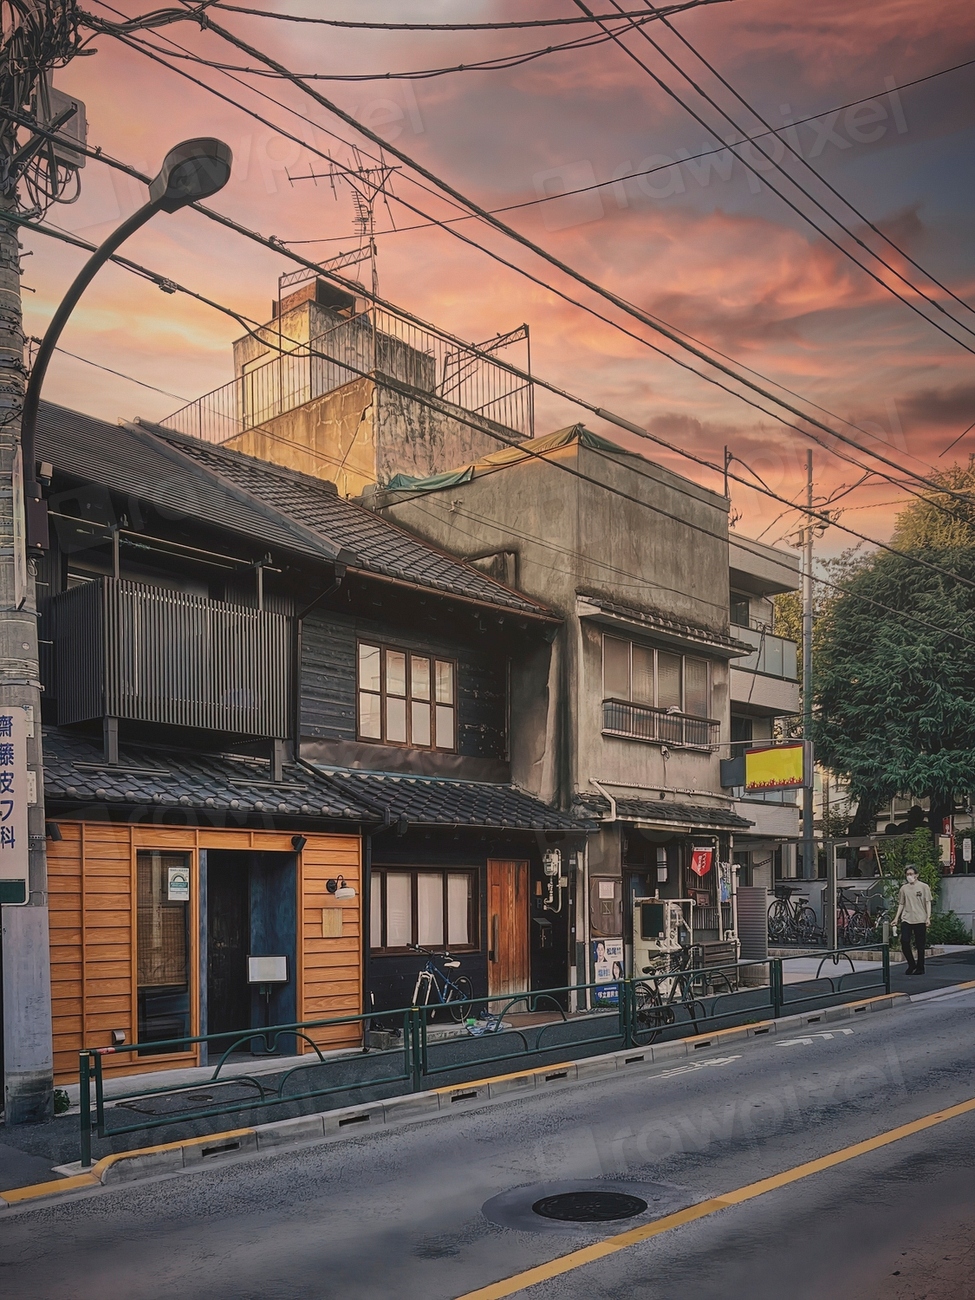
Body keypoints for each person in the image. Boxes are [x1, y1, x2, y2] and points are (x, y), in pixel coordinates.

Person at [893, 865, 932, 975]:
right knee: (904, 941)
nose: (909, 876)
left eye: (911, 874)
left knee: (920, 945)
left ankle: (920, 967)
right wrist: (896, 918)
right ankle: (911, 964)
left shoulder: (924, 887)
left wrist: (928, 917)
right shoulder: (904, 888)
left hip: (920, 918)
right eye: (907, 874)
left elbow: (927, 902)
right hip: (907, 918)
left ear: (916, 875)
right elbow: (901, 903)